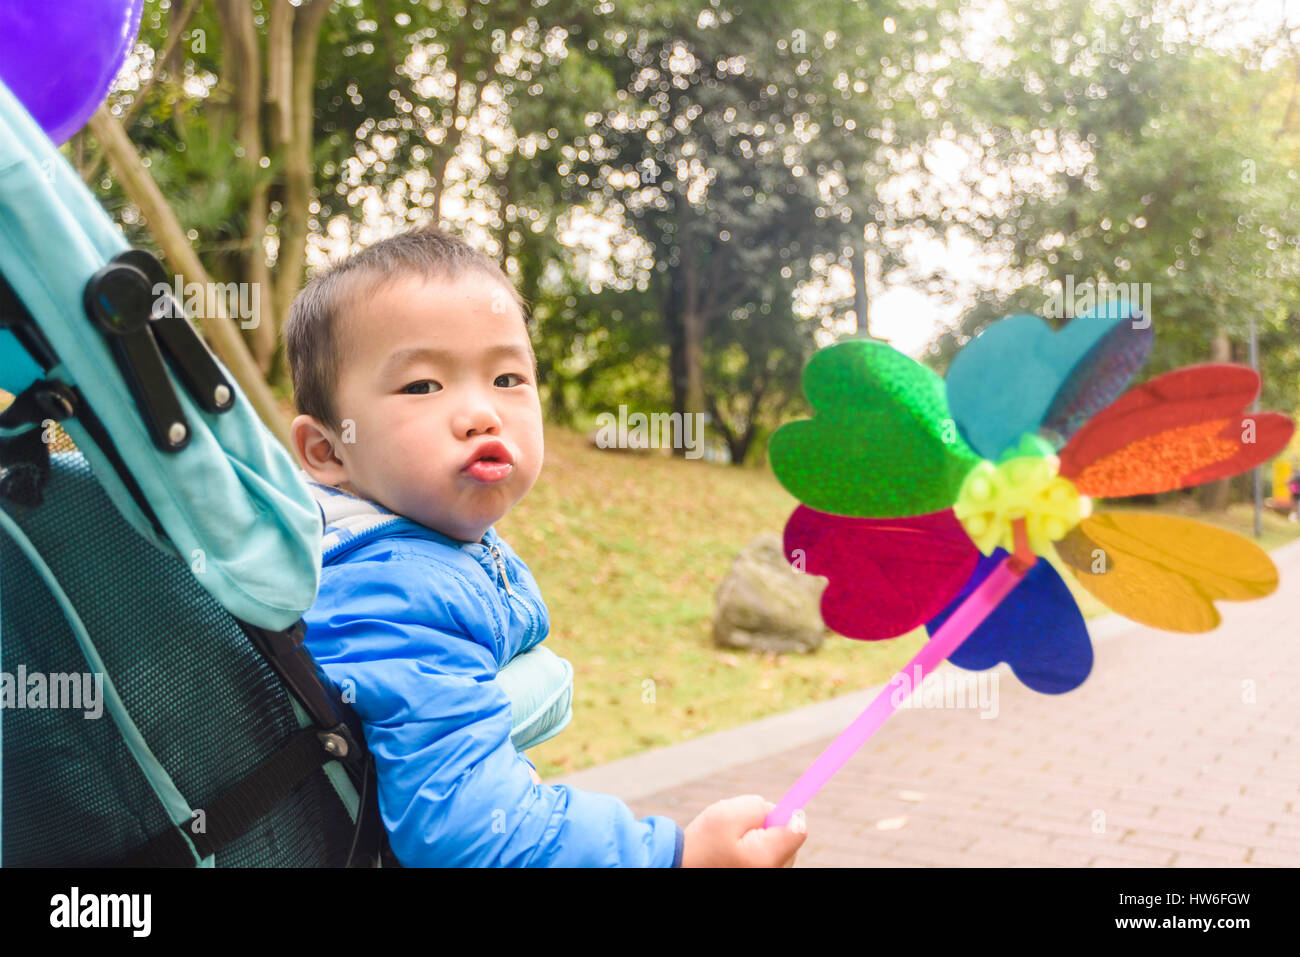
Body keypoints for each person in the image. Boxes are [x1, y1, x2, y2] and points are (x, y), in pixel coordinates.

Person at [284, 225, 808, 866]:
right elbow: (472, 829)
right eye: (423, 386)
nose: (483, 413)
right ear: (326, 450)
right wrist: (673, 856)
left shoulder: (425, 549)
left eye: (508, 377)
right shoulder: (389, 590)